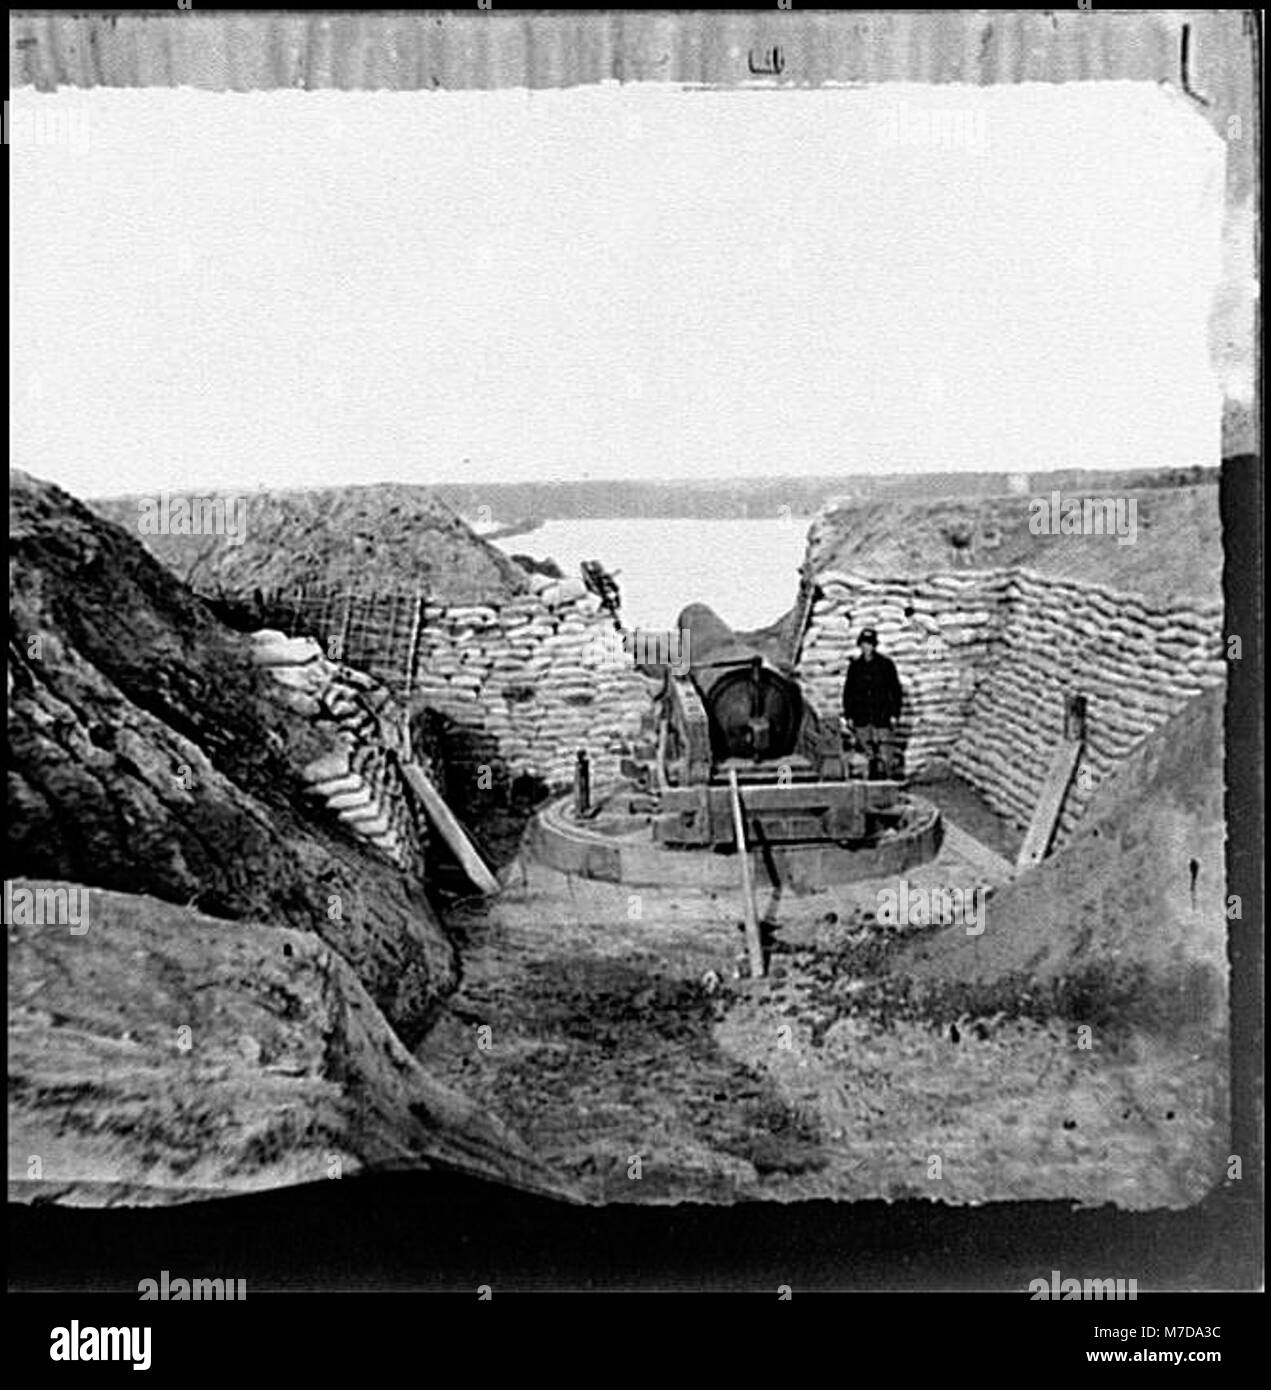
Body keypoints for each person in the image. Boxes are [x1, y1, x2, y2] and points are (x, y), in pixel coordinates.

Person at [841, 627, 902, 779]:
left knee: (885, 753)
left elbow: (895, 690)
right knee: (867, 754)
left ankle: (886, 784)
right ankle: (870, 784)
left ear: (875, 645)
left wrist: (894, 713)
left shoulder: (886, 665)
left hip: (882, 716)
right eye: (864, 644)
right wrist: (849, 715)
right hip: (862, 717)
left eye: (869, 644)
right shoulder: (855, 667)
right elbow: (848, 692)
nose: (867, 647)